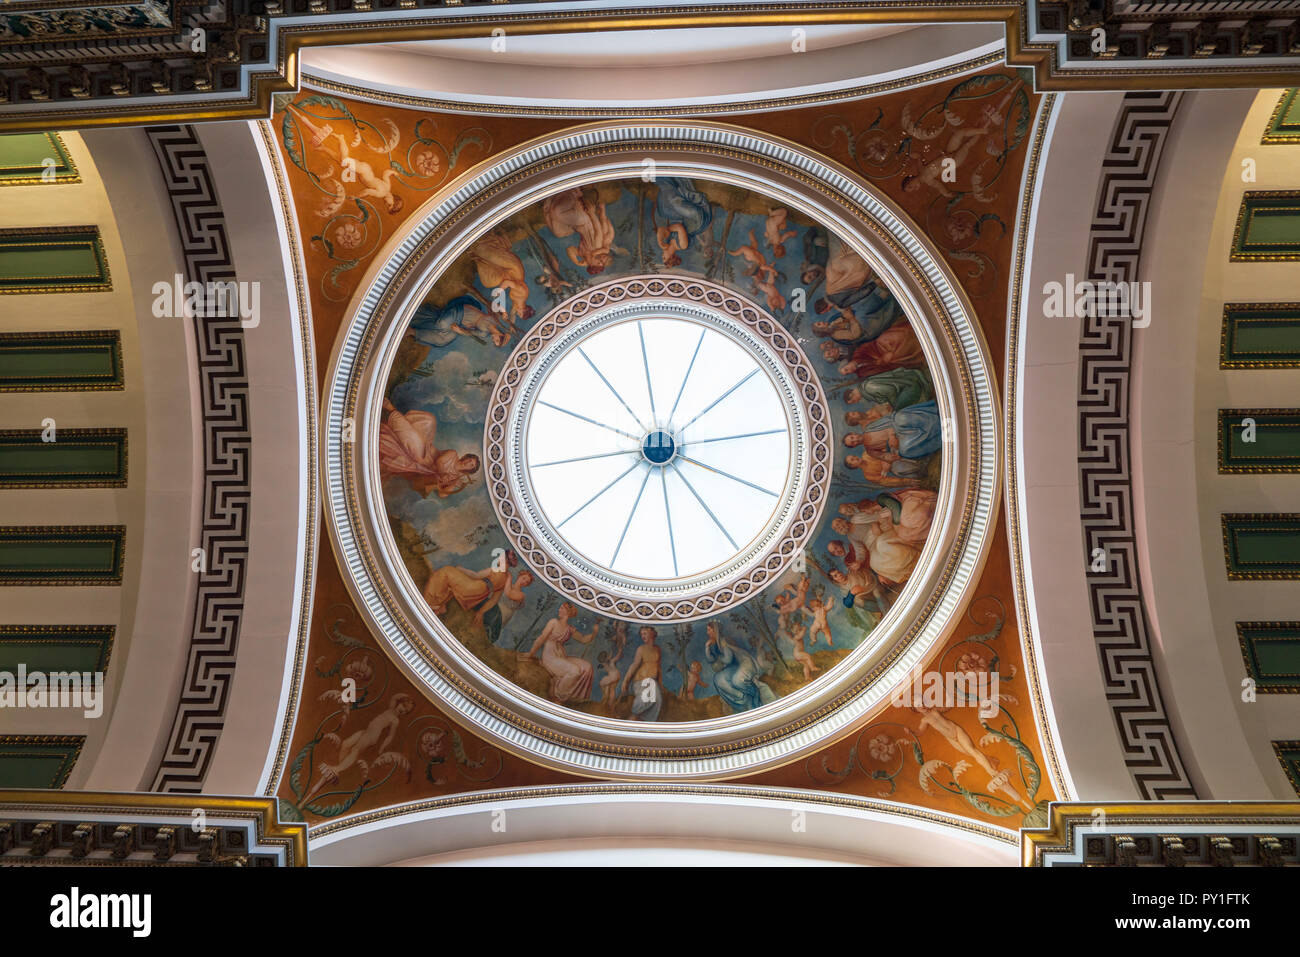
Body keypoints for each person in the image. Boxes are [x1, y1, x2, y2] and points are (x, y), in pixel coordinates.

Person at [521, 602, 598, 703]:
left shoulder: (569, 629)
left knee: (587, 667)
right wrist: (531, 653)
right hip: (550, 656)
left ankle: (574, 696)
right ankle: (557, 693)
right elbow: (542, 638)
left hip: (561, 656)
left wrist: (594, 633)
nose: (559, 610)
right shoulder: (553, 622)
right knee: (575, 671)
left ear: (567, 612)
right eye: (560, 608)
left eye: (562, 608)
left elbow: (583, 639)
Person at [704, 621, 774, 713]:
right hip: (735, 666)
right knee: (718, 678)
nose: (707, 632)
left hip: (745, 662)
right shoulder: (716, 644)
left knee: (737, 681)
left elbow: (728, 659)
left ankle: (755, 695)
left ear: (715, 630)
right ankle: (742, 698)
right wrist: (707, 647)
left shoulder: (724, 641)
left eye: (709, 630)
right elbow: (711, 660)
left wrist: (719, 659)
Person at [620, 626, 664, 721]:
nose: (642, 636)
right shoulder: (641, 649)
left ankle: (645, 723)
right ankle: (632, 717)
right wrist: (625, 680)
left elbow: (658, 668)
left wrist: (661, 684)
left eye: (645, 633)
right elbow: (634, 665)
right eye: (641, 634)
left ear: (652, 633)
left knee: (658, 701)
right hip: (642, 681)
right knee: (647, 698)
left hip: (652, 682)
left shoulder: (657, 649)